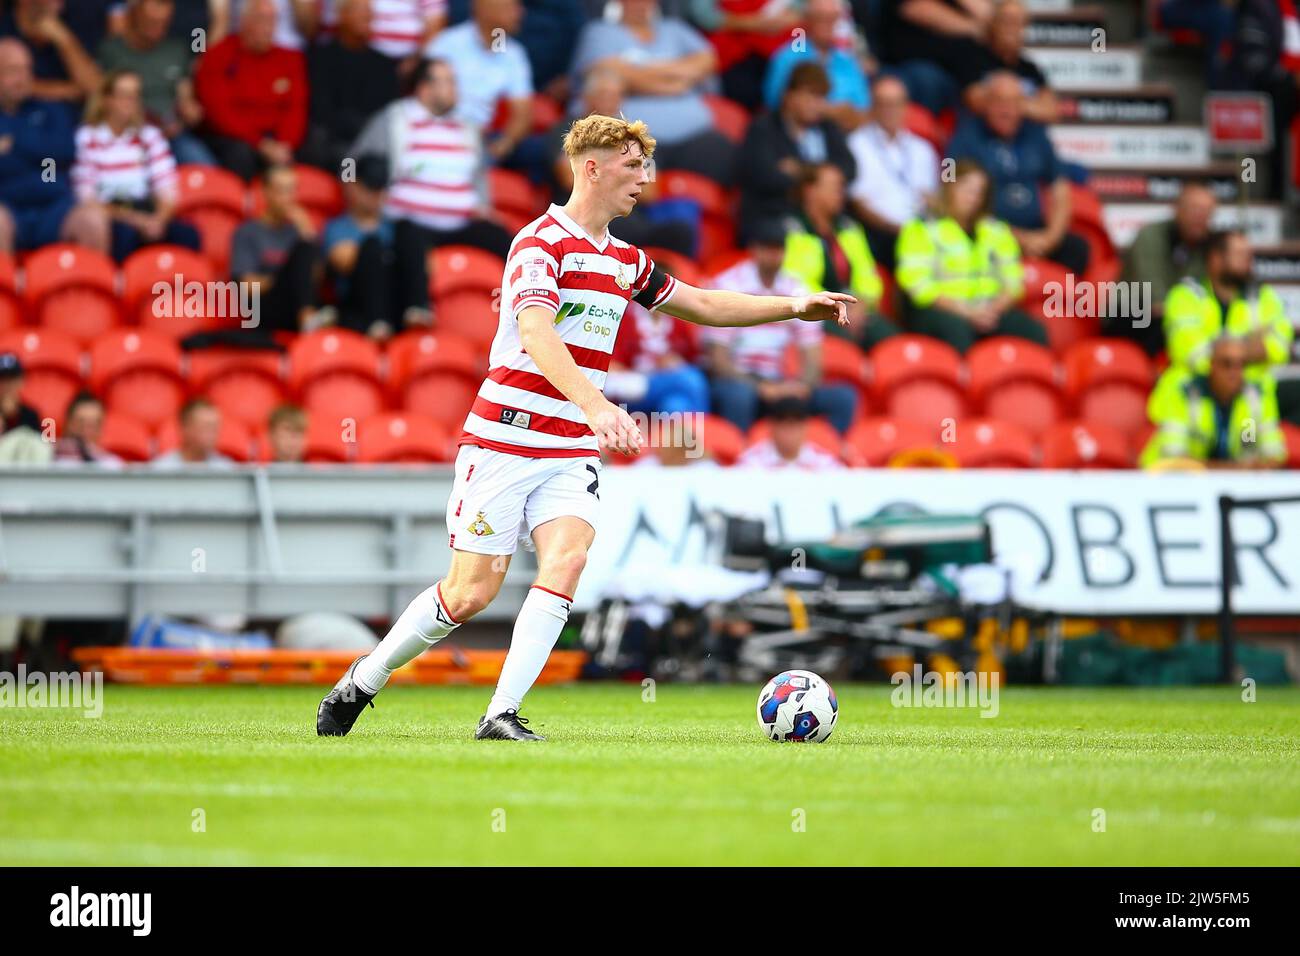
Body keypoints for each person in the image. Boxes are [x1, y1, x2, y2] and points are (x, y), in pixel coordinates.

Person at [317, 112, 855, 739]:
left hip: (569, 446)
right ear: (592, 167)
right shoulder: (538, 242)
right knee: (468, 596)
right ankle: (364, 679)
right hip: (504, 436)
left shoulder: (626, 260)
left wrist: (794, 306)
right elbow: (537, 333)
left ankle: (500, 714)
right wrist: (598, 405)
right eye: (632, 167)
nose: (643, 181)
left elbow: (704, 303)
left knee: (568, 559)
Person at [704, 219, 858, 434]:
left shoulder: (796, 288)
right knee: (739, 396)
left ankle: (826, 459)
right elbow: (718, 361)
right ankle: (737, 460)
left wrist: (802, 385)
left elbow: (812, 355)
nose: (774, 255)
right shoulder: (728, 284)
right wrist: (761, 388)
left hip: (779, 379)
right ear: (754, 249)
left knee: (843, 398)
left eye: (779, 249)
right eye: (768, 248)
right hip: (739, 378)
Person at [351, 57, 512, 260]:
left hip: (462, 225)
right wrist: (364, 205)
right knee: (410, 249)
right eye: (447, 82)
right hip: (409, 225)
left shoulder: (468, 128)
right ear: (424, 88)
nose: (455, 89)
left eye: (454, 81)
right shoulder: (394, 119)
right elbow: (351, 165)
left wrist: (483, 208)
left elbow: (478, 177)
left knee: (507, 243)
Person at [570, 0, 735, 184]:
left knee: (731, 158)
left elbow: (708, 61)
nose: (642, 4)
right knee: (637, 188)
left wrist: (640, 72)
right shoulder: (599, 32)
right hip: (633, 142)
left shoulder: (674, 28)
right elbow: (606, 72)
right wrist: (676, 83)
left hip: (695, 135)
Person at [895, 158, 1045, 353]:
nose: (972, 197)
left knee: (1032, 331)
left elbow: (1013, 280)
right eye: (966, 189)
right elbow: (917, 285)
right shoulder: (922, 227)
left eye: (979, 192)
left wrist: (992, 309)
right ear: (950, 189)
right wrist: (967, 311)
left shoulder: (996, 229)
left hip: (990, 308)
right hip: (941, 310)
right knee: (956, 331)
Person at [947, 70, 1090, 275]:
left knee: (1077, 248)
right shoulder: (964, 138)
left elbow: (1060, 189)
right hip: (987, 232)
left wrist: (1050, 237)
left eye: (1014, 103)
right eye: (999, 102)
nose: (1006, 110)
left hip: (1037, 232)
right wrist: (1016, 237)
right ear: (985, 103)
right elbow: (951, 187)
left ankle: (1058, 303)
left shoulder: (1037, 135)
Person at [546, 67, 696, 256]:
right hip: (585, 219)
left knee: (681, 232)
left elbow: (650, 190)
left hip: (633, 222)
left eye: (615, 95)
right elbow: (569, 177)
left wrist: (607, 176)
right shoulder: (567, 130)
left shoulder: (636, 138)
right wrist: (625, 177)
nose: (609, 101)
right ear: (586, 98)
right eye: (603, 95)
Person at [73, 69, 201, 262]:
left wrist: (159, 219)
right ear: (107, 100)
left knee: (189, 235)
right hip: (112, 214)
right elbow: (87, 197)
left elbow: (167, 189)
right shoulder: (88, 137)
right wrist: (135, 220)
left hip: (146, 208)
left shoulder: (150, 135)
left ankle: (185, 289)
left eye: (135, 96)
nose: (130, 102)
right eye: (124, 95)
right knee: (124, 237)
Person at [0, 39, 108, 254]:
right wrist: (39, 150)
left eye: (27, 69)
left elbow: (63, 150)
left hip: (56, 206)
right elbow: (48, 154)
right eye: (13, 71)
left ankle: (89, 287)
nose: (23, 78)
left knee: (92, 220)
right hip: (7, 206)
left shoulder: (52, 109)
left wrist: (13, 143)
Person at [737, 60, 855, 243]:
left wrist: (800, 169)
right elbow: (767, 177)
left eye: (821, 98)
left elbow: (850, 168)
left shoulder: (827, 128)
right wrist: (823, 179)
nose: (817, 104)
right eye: (810, 96)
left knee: (855, 234)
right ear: (789, 96)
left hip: (822, 218)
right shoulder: (763, 128)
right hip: (774, 216)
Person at [782, 162, 893, 350]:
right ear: (810, 191)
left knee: (891, 342)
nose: (841, 193)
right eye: (835, 187)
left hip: (856, 310)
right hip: (816, 311)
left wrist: (860, 305)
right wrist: (836, 305)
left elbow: (868, 276)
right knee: (844, 345)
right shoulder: (793, 229)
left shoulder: (850, 228)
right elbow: (795, 280)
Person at [193, 0, 308, 179]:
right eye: (261, 20)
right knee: (240, 154)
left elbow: (296, 107)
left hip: (277, 139)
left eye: (272, 21)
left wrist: (285, 144)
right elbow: (219, 113)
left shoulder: (290, 58)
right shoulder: (218, 55)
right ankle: (241, 203)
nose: (268, 28)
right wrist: (260, 144)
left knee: (314, 145)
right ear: (244, 22)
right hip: (235, 137)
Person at [322, 154, 430, 339]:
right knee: (372, 246)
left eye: (381, 188)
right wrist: (386, 255)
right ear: (353, 185)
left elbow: (428, 265)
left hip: (396, 303)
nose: (377, 195)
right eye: (370, 188)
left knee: (407, 229)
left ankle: (417, 309)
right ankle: (377, 323)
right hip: (360, 307)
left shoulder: (397, 228)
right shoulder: (338, 227)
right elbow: (342, 260)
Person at [97, 0, 215, 167]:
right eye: (152, 21)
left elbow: (185, 97)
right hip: (125, 136)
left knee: (206, 169)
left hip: (173, 137)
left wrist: (187, 113)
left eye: (164, 23)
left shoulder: (177, 49)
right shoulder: (111, 51)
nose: (158, 28)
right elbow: (100, 100)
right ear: (136, 14)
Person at [1140, 335, 1286, 469]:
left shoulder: (1256, 398)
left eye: (1241, 364)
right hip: (1164, 483)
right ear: (1212, 365)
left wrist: (1259, 465)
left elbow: (1274, 454)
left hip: (1230, 485)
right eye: (1226, 364)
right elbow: (1174, 458)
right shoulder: (1183, 394)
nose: (1235, 372)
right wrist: (1237, 469)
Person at [1163, 229, 1293, 377]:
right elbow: (1190, 353)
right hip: (1192, 395)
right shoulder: (1185, 296)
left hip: (1250, 396)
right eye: (1239, 254)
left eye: (1249, 255)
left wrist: (1217, 351)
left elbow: (1281, 347)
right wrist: (1249, 346)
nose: (1248, 261)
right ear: (1215, 259)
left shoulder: (1264, 296)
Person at [846, 73, 939, 271]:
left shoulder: (923, 148)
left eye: (896, 103)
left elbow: (933, 197)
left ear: (906, 107)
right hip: (878, 233)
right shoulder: (855, 145)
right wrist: (896, 230)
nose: (890, 111)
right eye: (884, 104)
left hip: (921, 233)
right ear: (872, 107)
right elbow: (858, 203)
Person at [425, 0, 534, 166]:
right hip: (441, 128)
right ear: (485, 10)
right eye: (511, 7)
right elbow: (423, 98)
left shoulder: (513, 54)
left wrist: (504, 144)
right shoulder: (446, 44)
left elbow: (522, 113)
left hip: (485, 139)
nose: (521, 13)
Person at [1113, 181, 1216, 351]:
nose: (1200, 216)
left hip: (1179, 315)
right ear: (1177, 209)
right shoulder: (1150, 237)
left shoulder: (1211, 247)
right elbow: (1154, 300)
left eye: (1206, 211)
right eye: (1195, 209)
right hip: (1131, 315)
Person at [300, 0, 400, 173]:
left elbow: (386, 114)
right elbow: (320, 108)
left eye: (369, 12)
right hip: (331, 140)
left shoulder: (384, 66)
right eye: (360, 11)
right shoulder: (320, 58)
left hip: (366, 143)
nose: (367, 17)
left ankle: (358, 196)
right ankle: (331, 194)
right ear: (342, 16)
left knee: (366, 165)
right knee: (337, 155)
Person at [230, 164, 322, 333]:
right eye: (282, 191)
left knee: (304, 248)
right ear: (265, 192)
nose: (289, 198)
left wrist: (308, 232)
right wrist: (285, 279)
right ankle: (308, 320)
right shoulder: (247, 232)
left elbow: (315, 280)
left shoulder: (299, 232)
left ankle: (308, 320)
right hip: (263, 309)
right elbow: (246, 286)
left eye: (292, 191)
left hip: (294, 307)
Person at [762, 0, 869, 130]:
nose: (827, 24)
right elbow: (775, 104)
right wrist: (828, 111)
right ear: (808, 20)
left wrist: (848, 115)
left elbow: (864, 111)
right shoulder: (789, 57)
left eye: (832, 18)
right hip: (799, 136)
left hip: (845, 137)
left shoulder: (848, 61)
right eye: (821, 18)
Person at [691, 0, 799, 111]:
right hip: (733, 54)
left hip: (780, 47)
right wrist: (753, 23)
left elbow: (800, 7)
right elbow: (704, 16)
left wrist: (792, 16)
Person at [962, 0, 1058, 124]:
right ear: (994, 24)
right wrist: (1026, 104)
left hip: (1023, 136)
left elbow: (1050, 111)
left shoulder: (1029, 68)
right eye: (1006, 21)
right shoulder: (975, 60)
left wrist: (1003, 101)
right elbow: (974, 101)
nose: (1011, 28)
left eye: (1017, 22)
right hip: (982, 135)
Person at [607, 301, 709, 416]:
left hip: (667, 384)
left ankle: (680, 432)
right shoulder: (625, 317)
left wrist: (674, 361)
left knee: (675, 406)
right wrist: (652, 366)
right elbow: (611, 366)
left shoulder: (677, 321)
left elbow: (693, 357)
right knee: (690, 379)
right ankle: (706, 428)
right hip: (635, 385)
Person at [0, 0, 102, 103]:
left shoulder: (76, 18)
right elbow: (11, 86)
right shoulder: (5, 30)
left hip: (69, 114)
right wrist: (69, 91)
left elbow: (95, 89)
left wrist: (65, 41)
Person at [736, 395, 844, 469]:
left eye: (794, 424)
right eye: (783, 423)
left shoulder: (822, 460)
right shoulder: (752, 461)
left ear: (804, 428)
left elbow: (843, 486)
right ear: (771, 427)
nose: (789, 430)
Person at [151, 397, 235, 466]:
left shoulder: (227, 470)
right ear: (185, 428)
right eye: (206, 427)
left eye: (215, 428)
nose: (213, 435)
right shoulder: (161, 470)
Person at [52, 392, 122, 466]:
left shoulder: (112, 465)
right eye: (80, 424)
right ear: (67, 424)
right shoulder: (47, 458)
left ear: (101, 429)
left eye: (93, 425)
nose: (87, 431)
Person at [0, 352, 41, 437]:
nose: (7, 385)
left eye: (12, 378)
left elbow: (38, 447)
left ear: (21, 381)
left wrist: (13, 417)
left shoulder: (30, 415)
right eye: (2, 379)